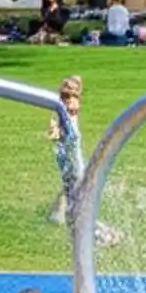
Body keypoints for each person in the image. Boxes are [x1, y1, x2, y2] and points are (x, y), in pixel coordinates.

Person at [47, 76, 83, 226]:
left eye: (73, 97)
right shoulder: (58, 114)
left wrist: (75, 86)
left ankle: (60, 214)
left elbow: (77, 80)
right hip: (66, 157)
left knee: (74, 185)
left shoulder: (71, 111)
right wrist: (55, 132)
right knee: (74, 184)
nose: (69, 101)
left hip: (73, 156)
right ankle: (63, 215)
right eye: (65, 97)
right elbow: (53, 129)